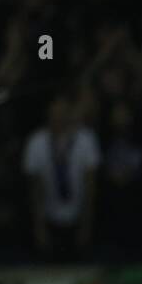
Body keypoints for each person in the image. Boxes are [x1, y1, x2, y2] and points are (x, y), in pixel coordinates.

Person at [23, 95, 100, 261]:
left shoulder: (86, 139)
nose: (59, 118)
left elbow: (91, 187)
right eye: (54, 113)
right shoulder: (36, 142)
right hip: (49, 216)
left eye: (63, 113)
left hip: (79, 216)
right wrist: (39, 227)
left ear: (70, 114)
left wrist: (86, 225)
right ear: (48, 115)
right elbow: (35, 190)